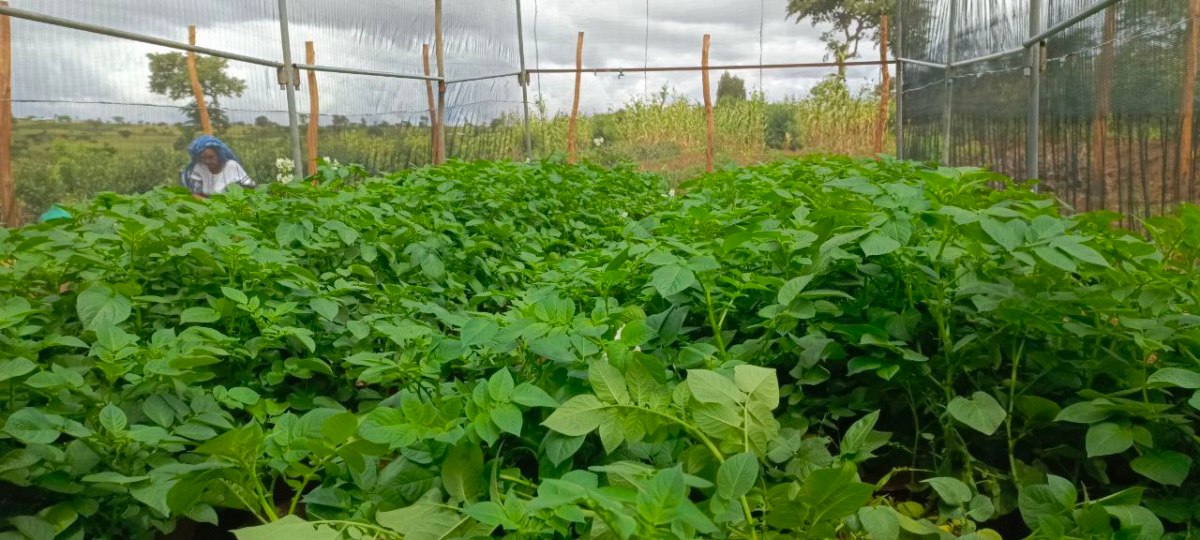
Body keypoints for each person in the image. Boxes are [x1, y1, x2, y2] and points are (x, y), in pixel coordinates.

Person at [180, 135, 256, 197]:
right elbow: (194, 193)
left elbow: (250, 187)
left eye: (211, 157)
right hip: (207, 207)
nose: (207, 161)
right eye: (203, 158)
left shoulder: (231, 166)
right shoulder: (199, 167)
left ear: (219, 155)